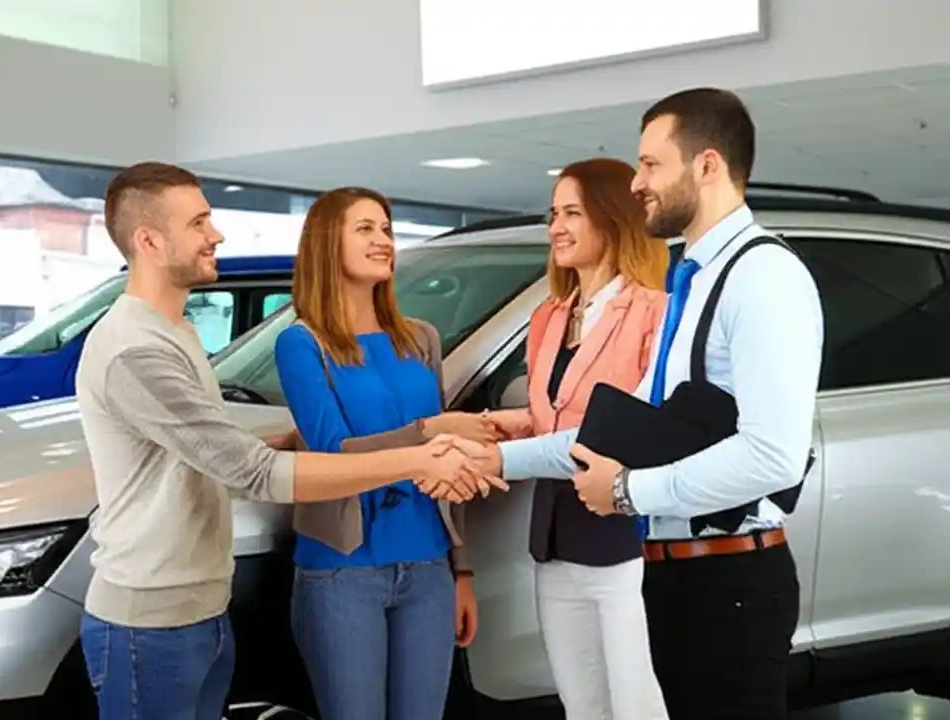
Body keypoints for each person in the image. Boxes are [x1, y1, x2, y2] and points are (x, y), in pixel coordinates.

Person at [73, 162, 499, 720]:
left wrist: (289, 438)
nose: (217, 234)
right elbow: (253, 473)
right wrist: (424, 448)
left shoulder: (176, 332)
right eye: (200, 221)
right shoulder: (136, 350)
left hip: (200, 611)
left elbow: (201, 454)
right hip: (150, 621)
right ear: (149, 241)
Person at [473, 88, 824, 720]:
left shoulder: (763, 277)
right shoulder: (694, 281)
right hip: (676, 576)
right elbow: (616, 427)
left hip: (729, 583)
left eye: (652, 164)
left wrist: (631, 492)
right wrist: (496, 462)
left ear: (707, 165)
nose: (637, 184)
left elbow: (774, 456)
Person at [273, 187, 506, 720]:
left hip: (428, 569)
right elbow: (334, 456)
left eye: (387, 229)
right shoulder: (301, 345)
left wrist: (461, 570)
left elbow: (454, 458)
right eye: (365, 229)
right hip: (343, 572)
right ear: (326, 244)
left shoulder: (420, 339)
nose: (383, 241)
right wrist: (429, 430)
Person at [481, 158, 671, 719]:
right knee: (581, 706)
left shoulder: (654, 312)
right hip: (556, 540)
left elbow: (629, 427)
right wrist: (513, 423)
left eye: (572, 213)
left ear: (612, 219)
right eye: (553, 214)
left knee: (638, 707)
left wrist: (493, 456)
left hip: (623, 543)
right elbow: (558, 415)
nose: (556, 227)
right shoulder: (549, 317)